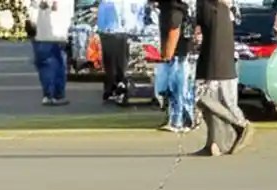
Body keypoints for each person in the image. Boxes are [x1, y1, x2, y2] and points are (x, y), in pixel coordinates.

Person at [194, 0, 253, 155]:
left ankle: (240, 124)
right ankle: (214, 143)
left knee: (212, 97)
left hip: (218, 57)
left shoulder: (219, 10)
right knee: (208, 98)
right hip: (211, 43)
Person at [96, 0, 148, 103]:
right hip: (112, 29)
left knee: (115, 62)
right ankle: (114, 88)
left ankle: (115, 88)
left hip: (116, 30)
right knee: (114, 62)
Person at [157, 0, 196, 131]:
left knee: (176, 88)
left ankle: (177, 121)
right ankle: (187, 119)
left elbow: (174, 28)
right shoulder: (183, 7)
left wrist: (167, 55)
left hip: (177, 56)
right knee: (185, 89)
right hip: (183, 54)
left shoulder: (172, 7)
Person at [26, 0, 72, 105]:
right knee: (58, 62)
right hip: (59, 31)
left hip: (44, 31)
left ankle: (50, 95)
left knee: (47, 64)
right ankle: (58, 94)